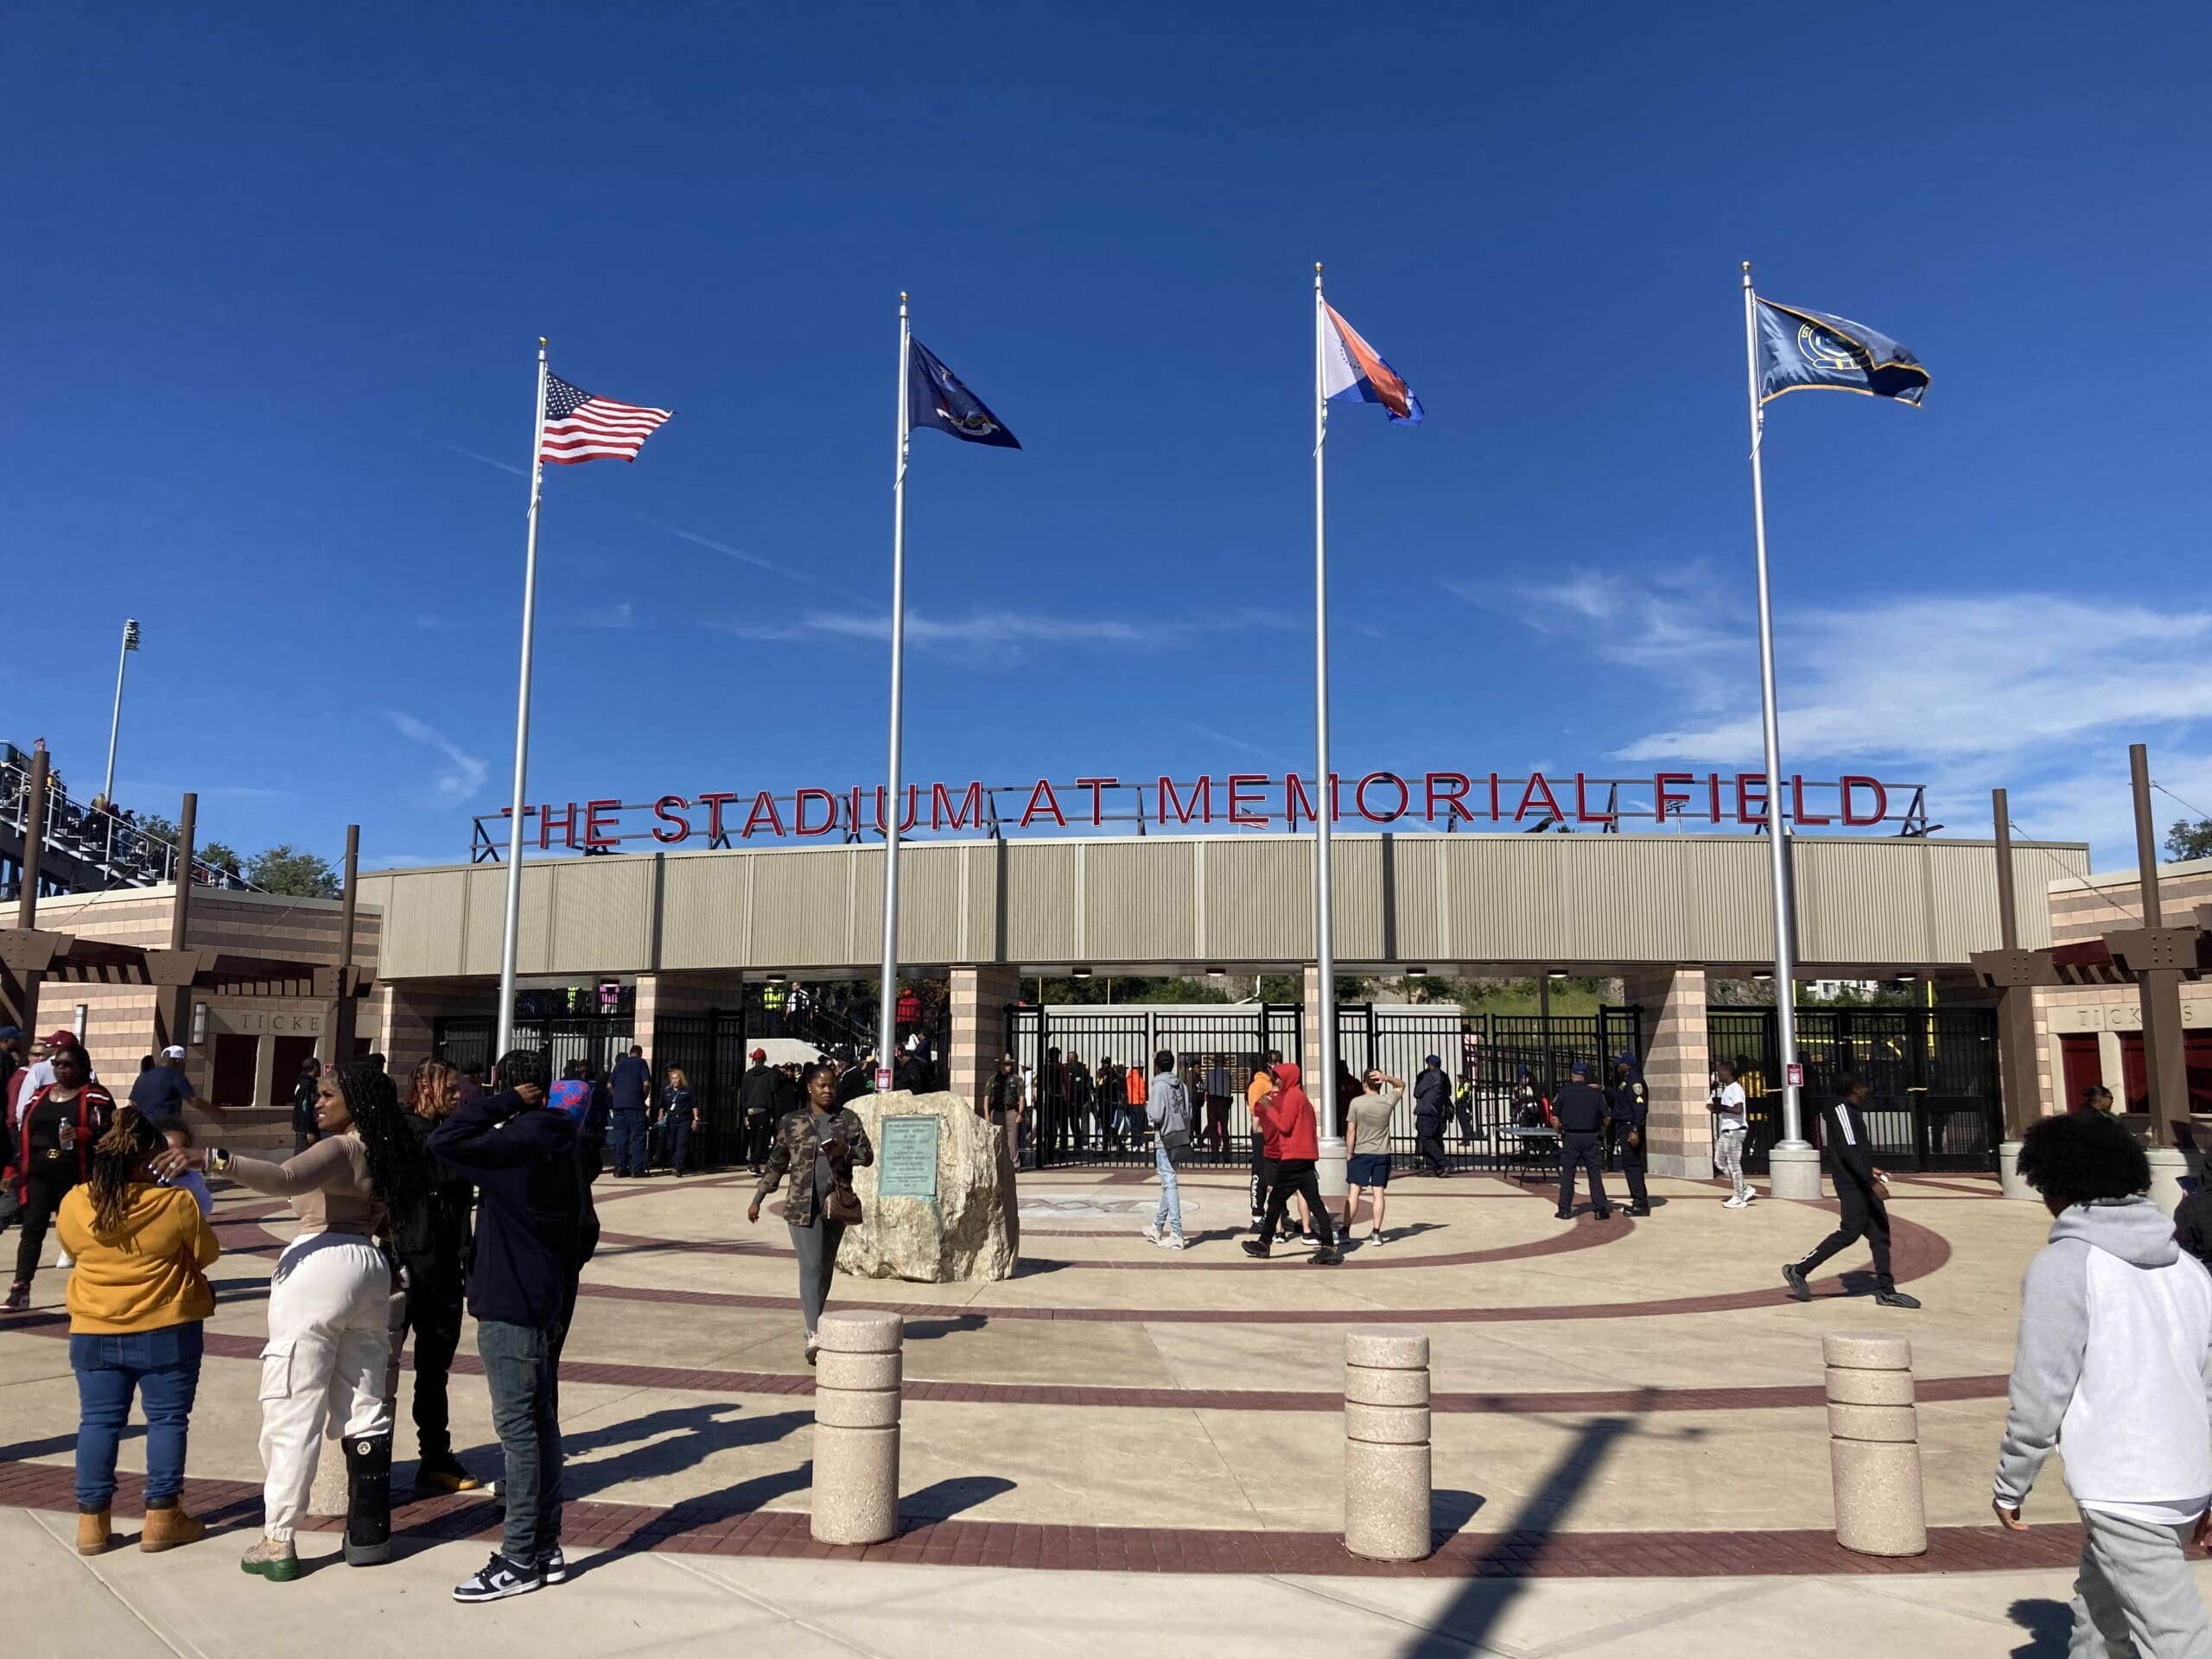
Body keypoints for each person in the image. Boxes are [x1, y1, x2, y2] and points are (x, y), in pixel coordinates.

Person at [156, 1059, 428, 1580]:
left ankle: (278, 1537)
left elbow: (284, 1179)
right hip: (369, 1267)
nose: (317, 1102)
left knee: (292, 1404)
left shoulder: (343, 1147)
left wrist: (212, 1158)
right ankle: (369, 1533)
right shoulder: (387, 1150)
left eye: (328, 1094)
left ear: (357, 1102)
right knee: (365, 1402)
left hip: (319, 1265)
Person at [1993, 1112, 2212, 1655]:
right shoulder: (2188, 1267)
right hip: (2187, 1477)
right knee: (2098, 1620)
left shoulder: (2064, 1266)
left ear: (2055, 1186)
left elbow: (2041, 1392)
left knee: (2176, 1636)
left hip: (2123, 1487)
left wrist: (2011, 1483)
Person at [430, 1047, 593, 1604]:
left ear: (509, 1087)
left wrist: (499, 1104)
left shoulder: (517, 1142)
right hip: (546, 1298)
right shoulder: (565, 1143)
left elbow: (443, 1141)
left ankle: (520, 1555)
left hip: (511, 1303)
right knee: (541, 1427)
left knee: (519, 1434)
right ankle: (544, 1546)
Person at [57, 1107, 220, 1556]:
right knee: (167, 1420)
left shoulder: (75, 1202)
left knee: (98, 1422)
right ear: (150, 1158)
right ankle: (163, 1517)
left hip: (93, 1327)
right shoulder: (176, 1203)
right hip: (166, 1326)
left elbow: (70, 1247)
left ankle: (92, 1523)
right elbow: (207, 1254)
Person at [747, 1059, 874, 1363]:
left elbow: (867, 1155)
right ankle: (813, 1331)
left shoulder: (847, 1120)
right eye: (822, 1085)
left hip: (835, 1203)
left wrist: (844, 1150)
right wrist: (758, 1197)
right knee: (811, 1266)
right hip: (801, 1205)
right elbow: (777, 1162)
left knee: (826, 1266)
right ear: (810, 1088)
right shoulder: (792, 1122)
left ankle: (816, 1320)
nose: (828, 1090)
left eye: (832, 1085)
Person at [399, 1058, 481, 1491]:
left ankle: (435, 1456)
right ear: (425, 1087)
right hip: (408, 1268)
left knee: (434, 1371)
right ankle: (367, 1458)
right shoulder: (406, 1135)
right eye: (449, 1088)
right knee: (381, 1372)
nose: (457, 1095)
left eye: (459, 1088)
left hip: (445, 1270)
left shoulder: (449, 1134)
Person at [1782, 1075, 1919, 1309]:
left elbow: (1854, 1150)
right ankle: (1798, 1270)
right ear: (1854, 1089)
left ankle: (1886, 1291)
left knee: (1879, 1234)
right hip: (1852, 1183)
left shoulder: (1849, 1110)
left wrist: (1869, 1169)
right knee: (1850, 1232)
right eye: (1864, 1086)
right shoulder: (1841, 1110)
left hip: (1860, 1178)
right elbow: (1849, 1149)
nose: (1868, 1090)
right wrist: (1869, 1181)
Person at [7, 1040, 115, 1311]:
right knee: (32, 1231)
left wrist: (83, 1134)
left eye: (68, 1064)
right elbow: (25, 1133)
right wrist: (13, 1167)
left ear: (82, 1068)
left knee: (84, 1234)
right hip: (38, 1176)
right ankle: (21, 1288)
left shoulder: (95, 1096)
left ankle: (96, 1289)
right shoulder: (40, 1094)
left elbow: (113, 1133)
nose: (61, 1069)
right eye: (57, 1064)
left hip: (76, 1178)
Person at [1242, 1063, 1341, 1266]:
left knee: (1276, 1200)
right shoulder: (1300, 1097)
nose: (1275, 1080)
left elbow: (1285, 1127)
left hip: (1294, 1158)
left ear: (1288, 1077)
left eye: (1278, 1077)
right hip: (1304, 1158)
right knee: (1315, 1203)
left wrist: (1269, 1108)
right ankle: (1329, 1246)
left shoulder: (1293, 1098)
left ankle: (1265, 1242)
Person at [1551, 1060, 1613, 1222]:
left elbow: (1555, 1118)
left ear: (1572, 1075)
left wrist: (1559, 1133)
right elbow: (1607, 1117)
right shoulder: (1595, 1094)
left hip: (1570, 1137)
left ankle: (1564, 1210)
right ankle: (1600, 1210)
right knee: (1594, 1173)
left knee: (1568, 1174)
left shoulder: (1564, 1093)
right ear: (1585, 1076)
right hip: (1591, 1137)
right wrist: (1602, 1130)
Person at [1142, 1048, 1191, 1249]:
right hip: (1179, 1134)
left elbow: (1155, 1115)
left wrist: (1147, 1107)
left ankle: (1177, 1232)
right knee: (1168, 1182)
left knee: (1169, 1183)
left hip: (1164, 1136)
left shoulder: (1159, 1086)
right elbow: (1188, 1111)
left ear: (1157, 1066)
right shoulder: (1182, 1085)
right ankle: (1157, 1225)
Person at [1345, 1069, 1400, 1245]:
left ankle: (1346, 1230)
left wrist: (1349, 1152)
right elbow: (1401, 1085)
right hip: (1382, 1152)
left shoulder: (1356, 1103)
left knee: (1354, 1190)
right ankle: (1376, 1232)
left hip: (1362, 1152)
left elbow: (1351, 1131)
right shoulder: (1387, 1100)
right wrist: (1387, 1078)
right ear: (1380, 1083)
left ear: (1364, 1084)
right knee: (1378, 1192)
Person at [1607, 1055, 1652, 1217]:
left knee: (1633, 1165)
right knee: (1630, 1166)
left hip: (1630, 1127)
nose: (1617, 1067)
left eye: (1620, 1064)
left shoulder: (1636, 1082)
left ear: (1627, 1065)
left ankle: (1641, 1203)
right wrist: (1604, 1089)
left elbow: (1640, 1109)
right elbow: (1621, 1098)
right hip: (1624, 1126)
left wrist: (1635, 1130)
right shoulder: (1626, 1080)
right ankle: (1637, 1200)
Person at [128, 1045, 207, 1131]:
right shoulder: (174, 1076)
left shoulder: (142, 1077)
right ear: (177, 1060)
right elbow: (194, 1102)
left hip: (142, 1128)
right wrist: (218, 1112)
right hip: (162, 1128)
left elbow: (133, 1103)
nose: (182, 1066)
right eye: (182, 1062)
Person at [1709, 1059, 1753, 1208]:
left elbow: (1738, 1109)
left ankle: (1739, 1197)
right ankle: (1744, 1188)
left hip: (1736, 1131)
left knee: (1734, 1164)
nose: (1718, 1075)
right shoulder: (1727, 1089)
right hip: (1727, 1131)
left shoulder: (1735, 1088)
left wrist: (1719, 1106)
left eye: (1720, 1072)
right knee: (1719, 1161)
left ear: (1727, 1073)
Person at [607, 1044, 652, 1179]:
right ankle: (636, 1169)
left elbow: (609, 1085)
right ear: (640, 1053)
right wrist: (642, 1097)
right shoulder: (641, 1063)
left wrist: (617, 1096)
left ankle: (622, 1167)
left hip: (618, 1105)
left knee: (621, 1136)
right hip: (635, 1104)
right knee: (639, 1135)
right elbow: (646, 1084)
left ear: (630, 1052)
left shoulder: (620, 1064)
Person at [1247, 1052, 1279, 1227]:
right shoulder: (1258, 1085)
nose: (1277, 1065)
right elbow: (1255, 1113)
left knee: (1275, 1174)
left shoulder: (1273, 1083)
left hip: (1271, 1131)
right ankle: (1258, 1213)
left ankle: (1281, 1214)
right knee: (1260, 1172)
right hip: (1261, 1132)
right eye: (1275, 1062)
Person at [740, 1048, 779, 1173]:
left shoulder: (747, 1074)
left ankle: (751, 1161)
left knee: (752, 1137)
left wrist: (744, 1113)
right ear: (764, 1059)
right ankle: (755, 1163)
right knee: (761, 1138)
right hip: (764, 1109)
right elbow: (774, 1090)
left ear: (754, 1060)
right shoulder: (770, 1073)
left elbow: (744, 1095)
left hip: (751, 1109)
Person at [1412, 1053, 1452, 1178]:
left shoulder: (1429, 1076)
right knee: (1434, 1139)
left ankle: (1445, 1163)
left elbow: (1417, 1092)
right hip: (1438, 1112)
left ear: (1429, 1064)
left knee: (1426, 1139)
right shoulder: (1443, 1076)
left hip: (1427, 1111)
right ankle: (1431, 1167)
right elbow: (1448, 1092)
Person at [986, 1055, 1024, 1165]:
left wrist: (1020, 1113)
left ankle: (1014, 1163)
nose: (1006, 1067)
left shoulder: (1016, 1079)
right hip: (997, 1111)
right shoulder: (993, 1079)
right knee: (997, 1137)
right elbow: (986, 1097)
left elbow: (1021, 1098)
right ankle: (997, 1162)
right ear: (999, 1065)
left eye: (1008, 1064)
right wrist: (987, 1115)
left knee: (1012, 1139)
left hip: (1011, 1111)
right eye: (1003, 1064)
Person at [659, 1066, 696, 1173]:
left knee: (682, 1143)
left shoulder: (688, 1090)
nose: (675, 1080)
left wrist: (696, 1119)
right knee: (672, 1144)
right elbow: (663, 1104)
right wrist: (661, 1113)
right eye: (673, 1078)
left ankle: (678, 1166)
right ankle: (675, 1161)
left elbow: (694, 1105)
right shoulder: (667, 1091)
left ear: (681, 1079)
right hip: (671, 1120)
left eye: (676, 1078)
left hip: (684, 1119)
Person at [290, 1055, 323, 1154]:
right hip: (306, 1130)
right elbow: (304, 1108)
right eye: (319, 1067)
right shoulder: (306, 1085)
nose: (320, 1070)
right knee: (302, 1157)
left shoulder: (310, 1084)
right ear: (314, 1068)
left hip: (311, 1127)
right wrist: (309, 1131)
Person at [1201, 1054, 1233, 1158]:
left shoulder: (1210, 1073)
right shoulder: (1227, 1074)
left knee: (1213, 1128)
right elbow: (1230, 1088)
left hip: (1213, 1101)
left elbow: (1205, 1087)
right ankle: (1226, 1153)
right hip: (1224, 1101)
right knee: (1224, 1127)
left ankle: (1215, 1155)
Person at [1095, 1056, 1126, 1152]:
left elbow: (1110, 1088)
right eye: (1103, 1063)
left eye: (1106, 1063)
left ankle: (1106, 1148)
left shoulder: (1111, 1074)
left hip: (1109, 1103)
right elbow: (1098, 1087)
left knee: (1106, 1126)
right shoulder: (1101, 1073)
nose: (1104, 1065)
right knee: (1106, 1126)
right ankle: (1118, 1145)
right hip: (1102, 1102)